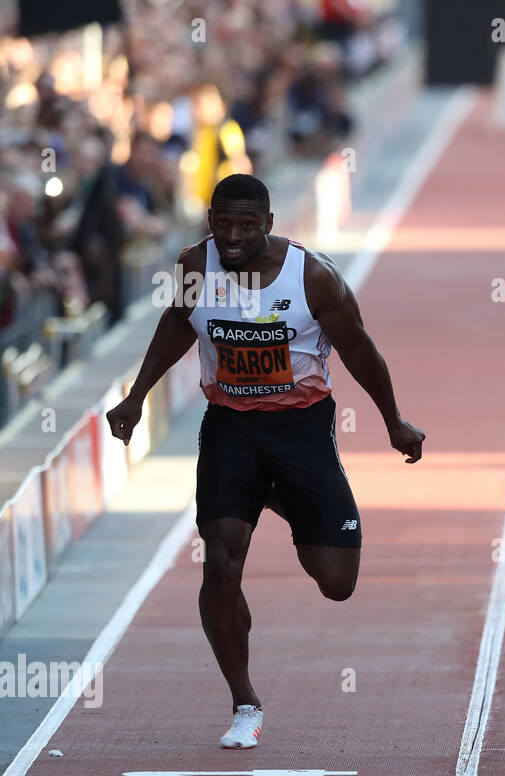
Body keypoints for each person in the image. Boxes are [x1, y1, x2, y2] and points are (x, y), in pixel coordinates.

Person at [105, 174, 424, 747]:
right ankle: (244, 700)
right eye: (222, 222)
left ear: (269, 224)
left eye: (246, 224)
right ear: (209, 219)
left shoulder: (313, 277)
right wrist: (136, 396)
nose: (232, 235)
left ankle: (279, 496)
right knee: (221, 561)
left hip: (301, 429)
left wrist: (393, 421)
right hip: (231, 427)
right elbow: (177, 324)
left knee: (337, 582)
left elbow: (359, 350)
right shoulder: (194, 266)